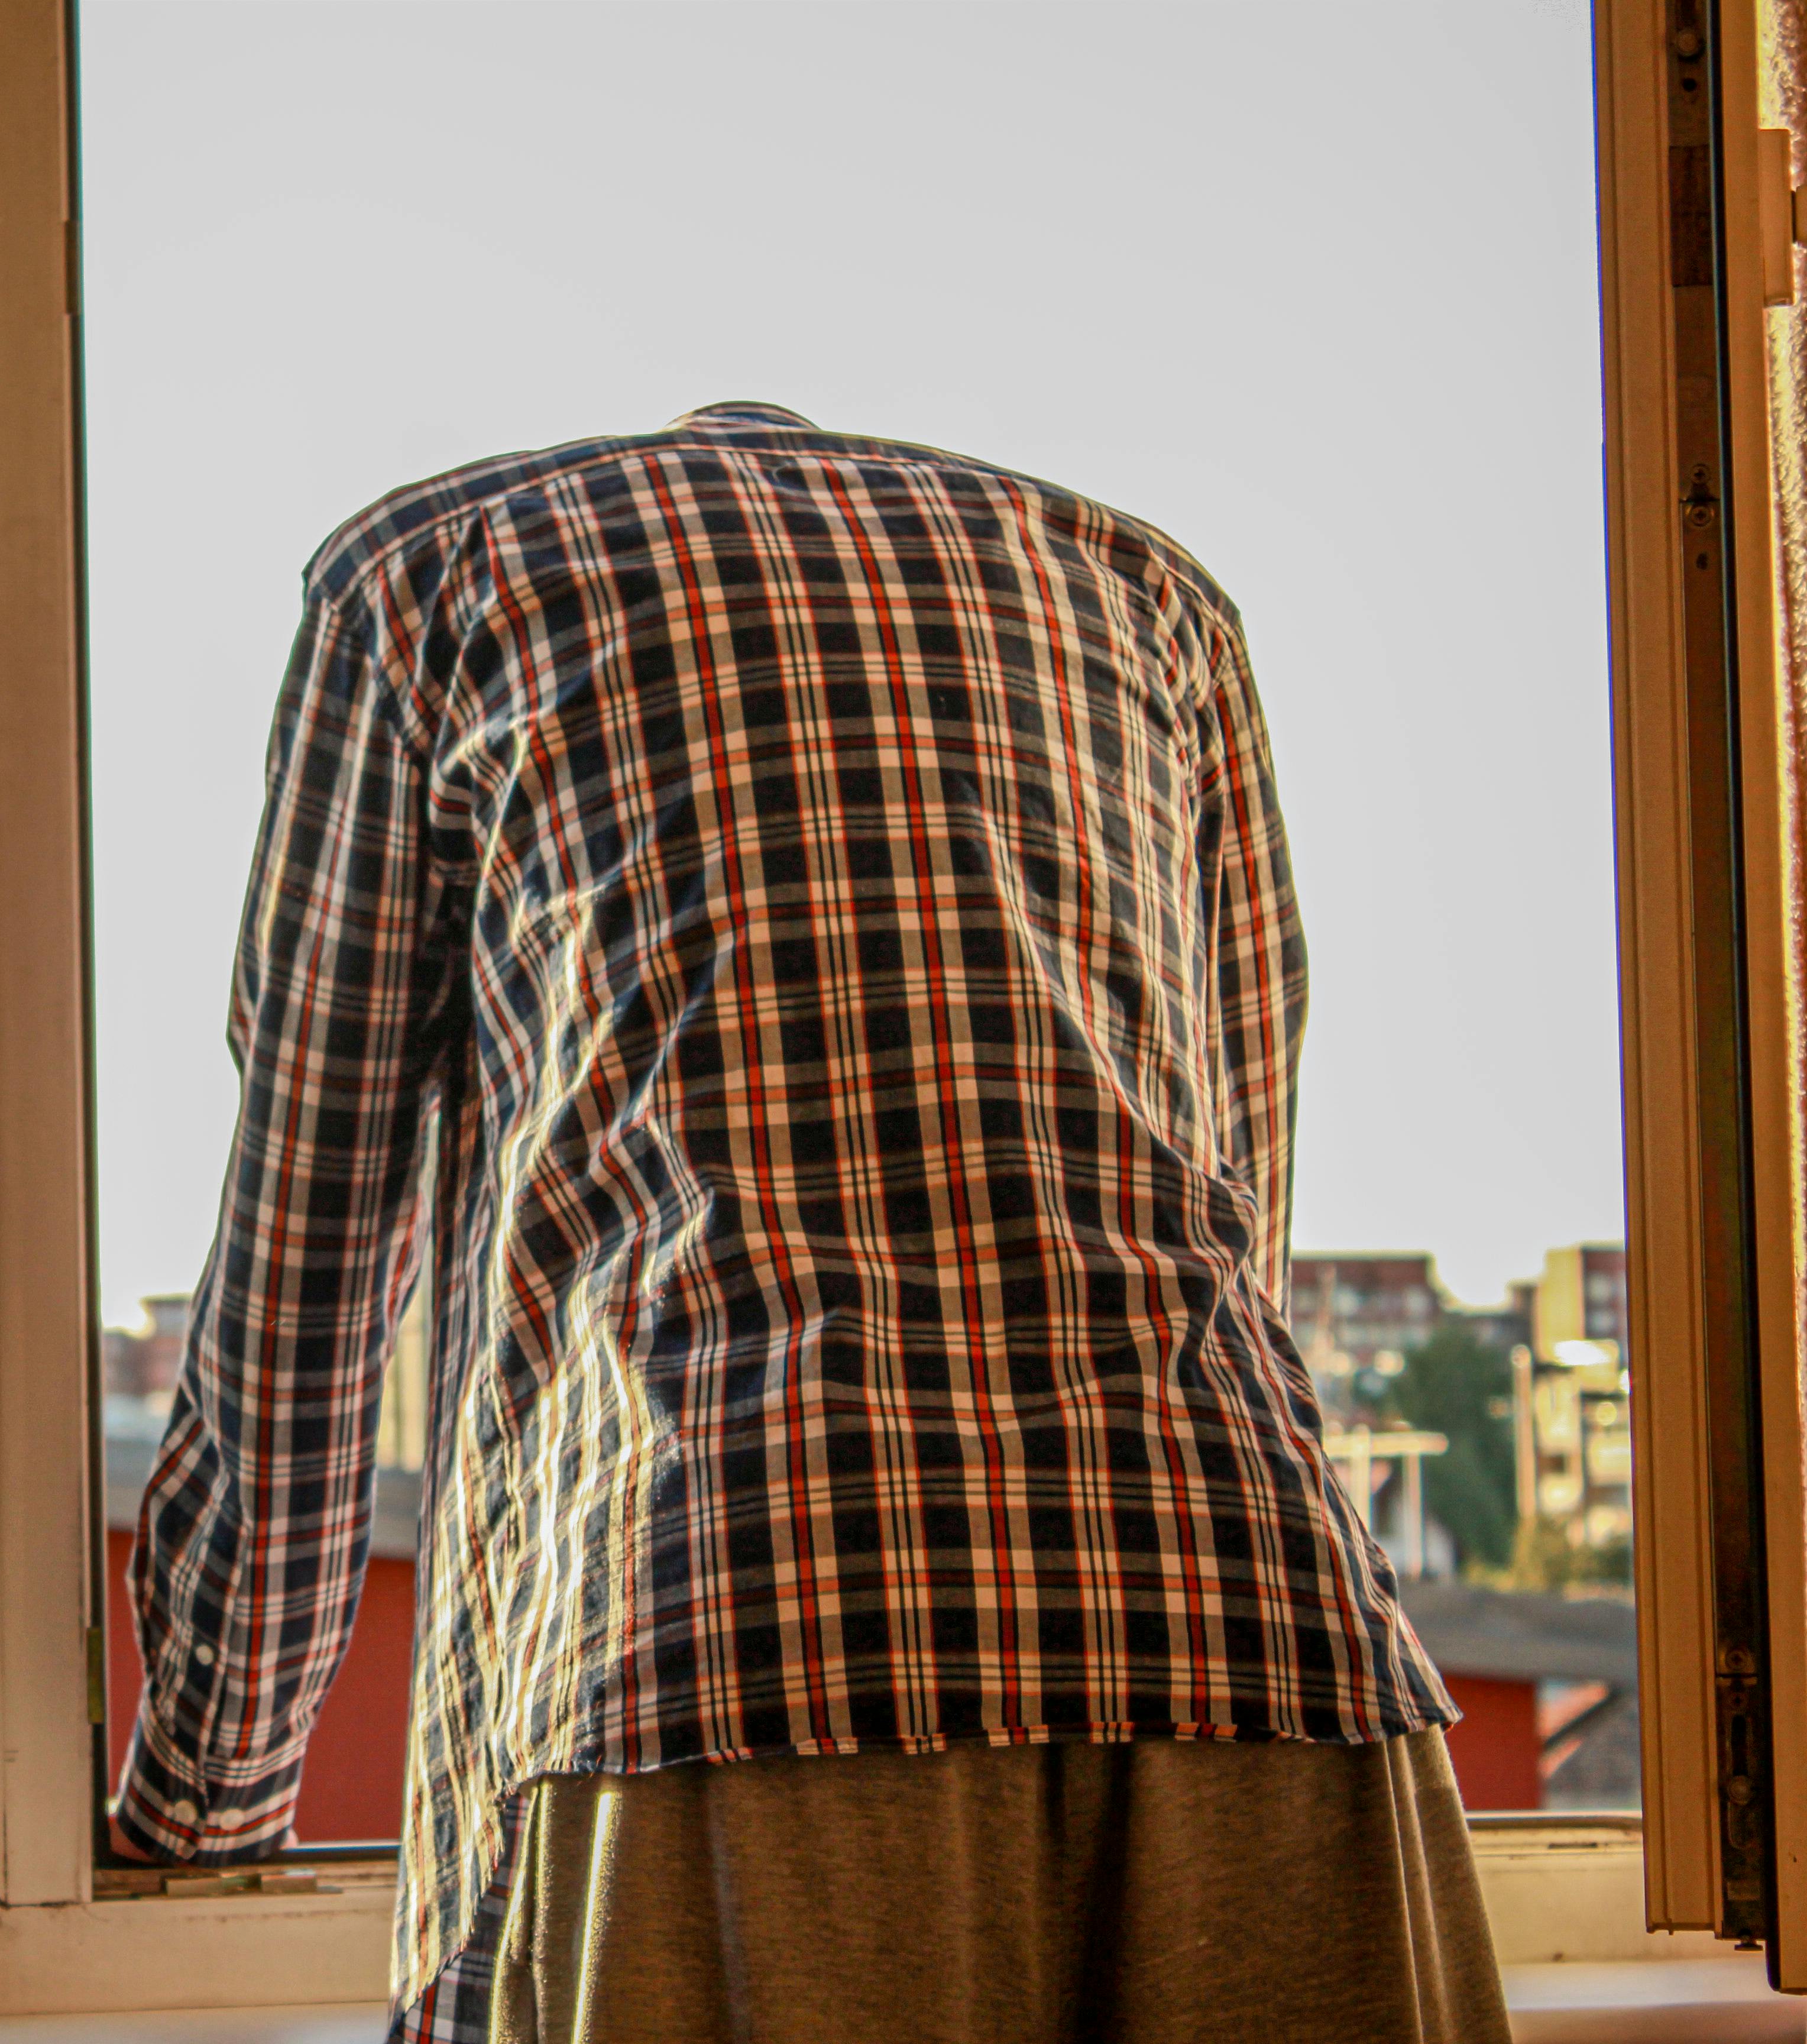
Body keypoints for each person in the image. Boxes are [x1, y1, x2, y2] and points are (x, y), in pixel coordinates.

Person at [108, 402, 1508, 2044]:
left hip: (728, 1628)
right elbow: (1238, 1185)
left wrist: (201, 1802)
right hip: (1254, 1620)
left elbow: (309, 1278)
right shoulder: (1153, 597)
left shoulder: (426, 582)